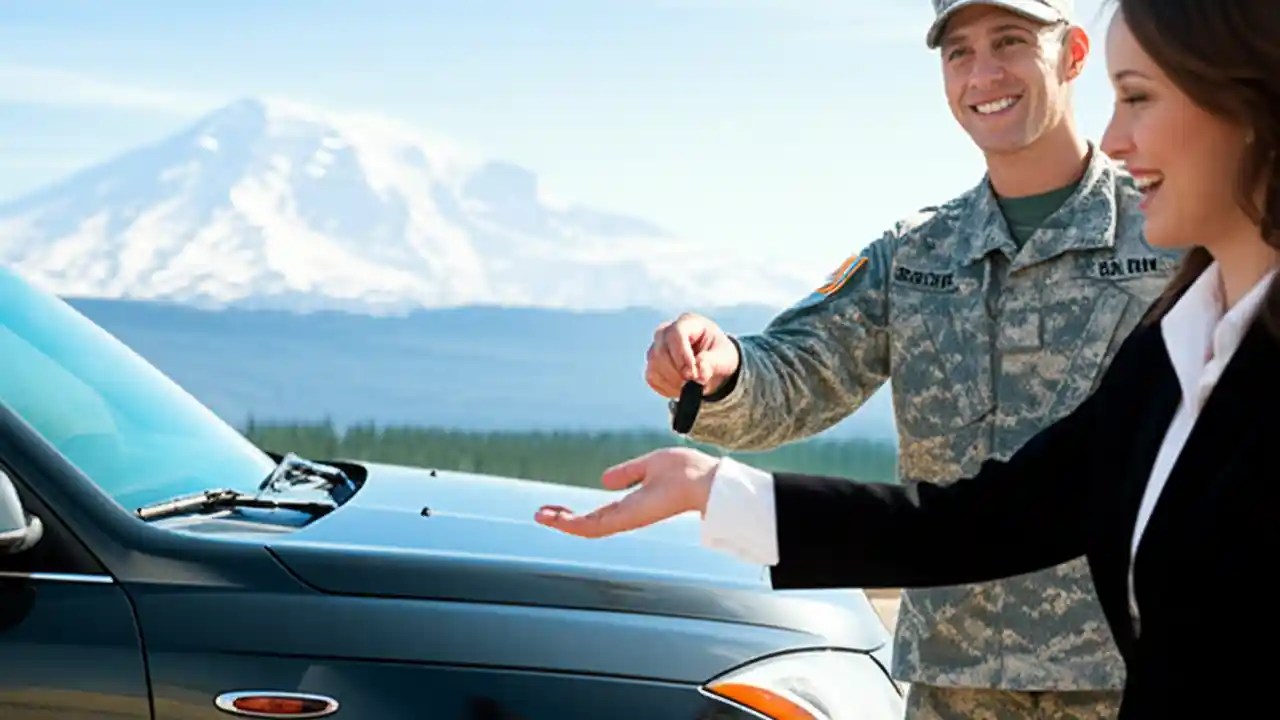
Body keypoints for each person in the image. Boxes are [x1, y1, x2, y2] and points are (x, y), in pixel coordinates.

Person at [536, 0, 1280, 717]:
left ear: (1072, 53)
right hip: (951, 677)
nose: (983, 72)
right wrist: (723, 368)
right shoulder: (919, 254)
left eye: (1011, 41)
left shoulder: (1182, 232)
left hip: (1119, 675)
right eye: (959, 51)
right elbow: (803, 379)